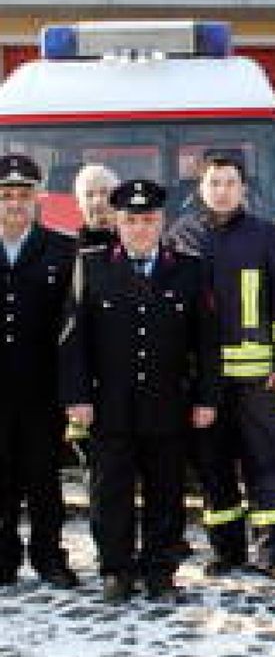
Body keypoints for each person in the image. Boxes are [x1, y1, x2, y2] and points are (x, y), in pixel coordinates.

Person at [60, 179, 219, 602]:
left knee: (166, 492)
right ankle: (117, 570)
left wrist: (207, 398)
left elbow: (206, 342)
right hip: (109, 404)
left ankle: (160, 570)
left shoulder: (188, 268)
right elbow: (74, 339)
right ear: (117, 223)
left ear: (161, 221)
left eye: (148, 220)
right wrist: (77, 396)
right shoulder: (91, 265)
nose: (140, 229)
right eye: (131, 221)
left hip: (168, 403)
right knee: (109, 492)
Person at [165, 156, 275, 585]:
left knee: (265, 463)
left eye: (230, 182)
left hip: (257, 379)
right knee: (213, 467)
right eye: (215, 182)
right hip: (203, 382)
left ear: (243, 188)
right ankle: (226, 551)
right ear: (201, 188)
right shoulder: (181, 235)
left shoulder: (266, 235)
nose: (222, 190)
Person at [0, 154, 79, 589]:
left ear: (38, 198)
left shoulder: (62, 250)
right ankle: (3, 558)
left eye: (23, 194)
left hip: (42, 389)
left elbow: (71, 325)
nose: (15, 203)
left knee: (44, 478)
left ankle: (50, 557)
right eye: (6, 195)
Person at [73, 163, 120, 249]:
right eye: (89, 195)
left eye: (104, 192)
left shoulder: (134, 244)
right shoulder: (69, 248)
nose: (97, 201)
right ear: (78, 203)